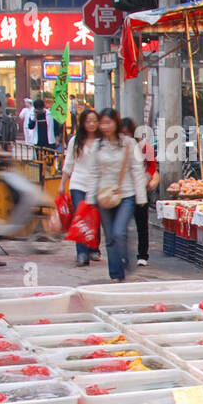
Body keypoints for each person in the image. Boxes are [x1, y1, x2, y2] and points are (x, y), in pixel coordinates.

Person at [84, 109, 147, 283]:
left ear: (116, 123)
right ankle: (116, 275)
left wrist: (141, 196)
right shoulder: (97, 145)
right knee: (110, 237)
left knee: (119, 232)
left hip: (126, 193)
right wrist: (90, 199)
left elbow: (137, 169)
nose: (105, 126)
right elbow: (93, 172)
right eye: (102, 122)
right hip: (103, 196)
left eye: (108, 122)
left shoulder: (128, 143)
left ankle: (126, 258)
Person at [58, 108, 102, 266]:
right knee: (81, 216)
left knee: (94, 217)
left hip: (96, 184)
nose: (91, 124)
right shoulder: (75, 140)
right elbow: (68, 163)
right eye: (88, 121)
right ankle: (81, 253)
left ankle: (94, 248)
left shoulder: (102, 141)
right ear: (83, 123)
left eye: (94, 121)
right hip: (78, 183)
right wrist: (62, 184)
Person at [121, 118, 159, 267]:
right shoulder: (117, 147)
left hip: (140, 188)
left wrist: (146, 179)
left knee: (142, 224)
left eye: (127, 133)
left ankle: (143, 255)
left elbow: (152, 165)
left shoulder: (143, 146)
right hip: (123, 190)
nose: (125, 137)